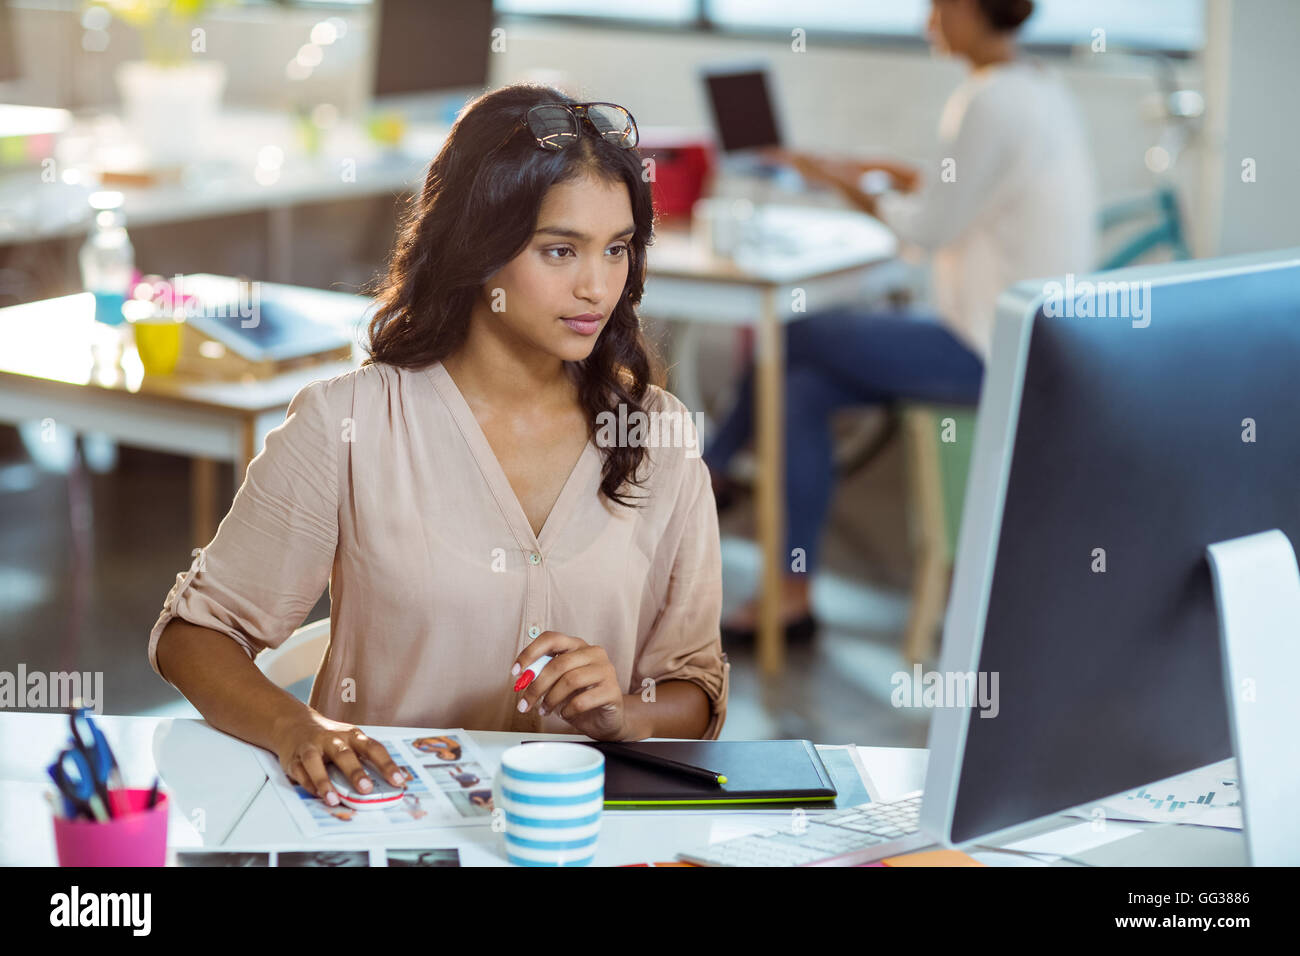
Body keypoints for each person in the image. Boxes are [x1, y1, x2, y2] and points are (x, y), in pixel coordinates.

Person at [148, 84, 730, 809]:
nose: (596, 286)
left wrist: (623, 714)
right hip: (382, 824)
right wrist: (295, 727)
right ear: (479, 247)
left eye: (617, 250)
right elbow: (195, 635)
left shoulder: (660, 438)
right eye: (560, 250)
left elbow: (696, 688)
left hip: (579, 835)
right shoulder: (347, 424)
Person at [705, 0, 1097, 642]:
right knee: (802, 388)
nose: (928, 23)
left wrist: (841, 183)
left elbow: (930, 225)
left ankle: (711, 471)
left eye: (938, 8)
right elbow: (959, 188)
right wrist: (855, 168)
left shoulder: (987, 100)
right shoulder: (1037, 88)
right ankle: (792, 596)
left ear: (971, 9)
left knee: (793, 335)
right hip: (1025, 339)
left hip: (986, 348)